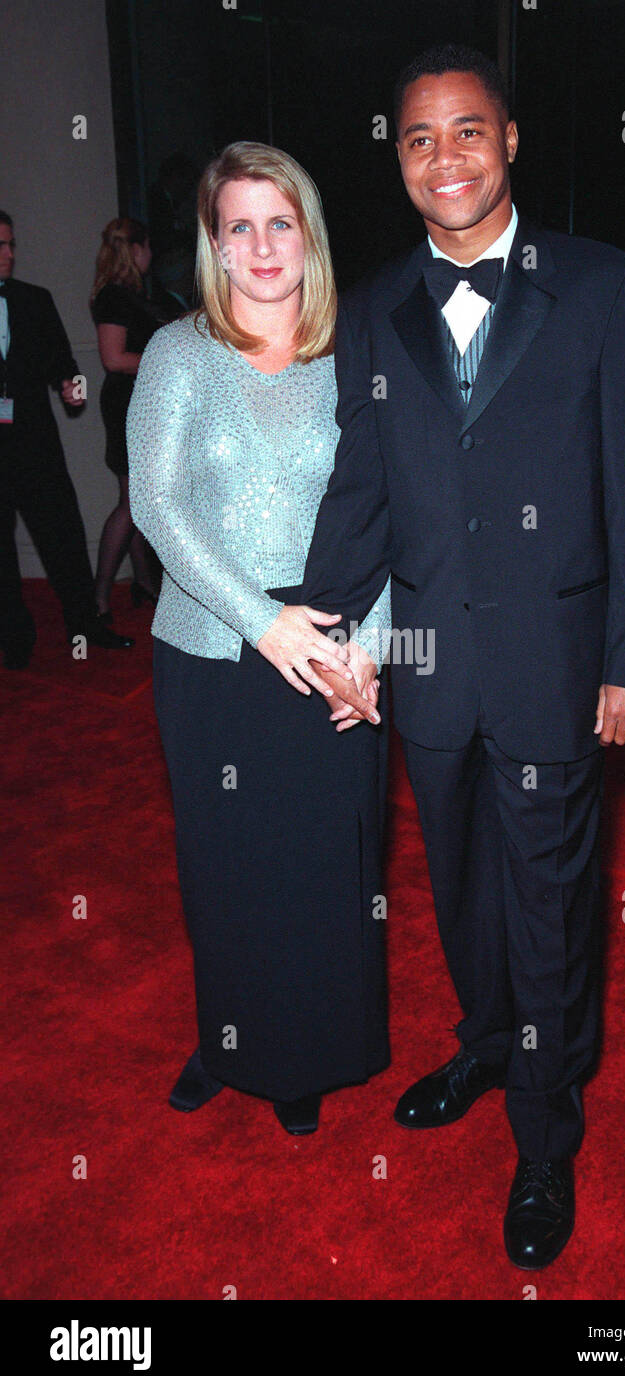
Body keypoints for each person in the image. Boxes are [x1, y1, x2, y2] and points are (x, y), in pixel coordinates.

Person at [300, 45, 625, 1265]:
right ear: (398, 158)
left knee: (550, 896)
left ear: (510, 141)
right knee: (461, 880)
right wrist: (318, 630)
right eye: (419, 139)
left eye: (469, 132)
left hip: (558, 663)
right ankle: (485, 1037)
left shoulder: (604, 284)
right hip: (428, 664)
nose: (446, 158)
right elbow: (363, 494)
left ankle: (544, 1129)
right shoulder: (372, 311)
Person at [127, 142, 392, 1136]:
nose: (262, 243)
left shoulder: (357, 354)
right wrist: (260, 619)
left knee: (326, 866)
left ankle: (311, 1050)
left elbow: (393, 513)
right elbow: (154, 504)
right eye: (239, 224)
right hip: (211, 645)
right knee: (226, 861)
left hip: (332, 636)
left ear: (308, 234)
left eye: (280, 220)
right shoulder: (179, 353)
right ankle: (228, 1036)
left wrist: (373, 648)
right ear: (214, 243)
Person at [0, 210, 133, 667]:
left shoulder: (33, 300)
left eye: (11, 244)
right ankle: (15, 639)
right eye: (0, 246)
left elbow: (61, 361)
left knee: (63, 537)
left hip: (34, 442)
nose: (9, 255)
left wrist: (69, 385)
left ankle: (85, 624)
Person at [90, 219, 169, 621]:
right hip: (126, 404)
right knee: (132, 504)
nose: (151, 255)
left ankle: (143, 583)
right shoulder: (114, 297)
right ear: (135, 249)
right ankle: (98, 598)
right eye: (147, 247)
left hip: (139, 402)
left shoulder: (130, 294)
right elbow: (113, 359)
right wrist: (164, 361)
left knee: (135, 502)